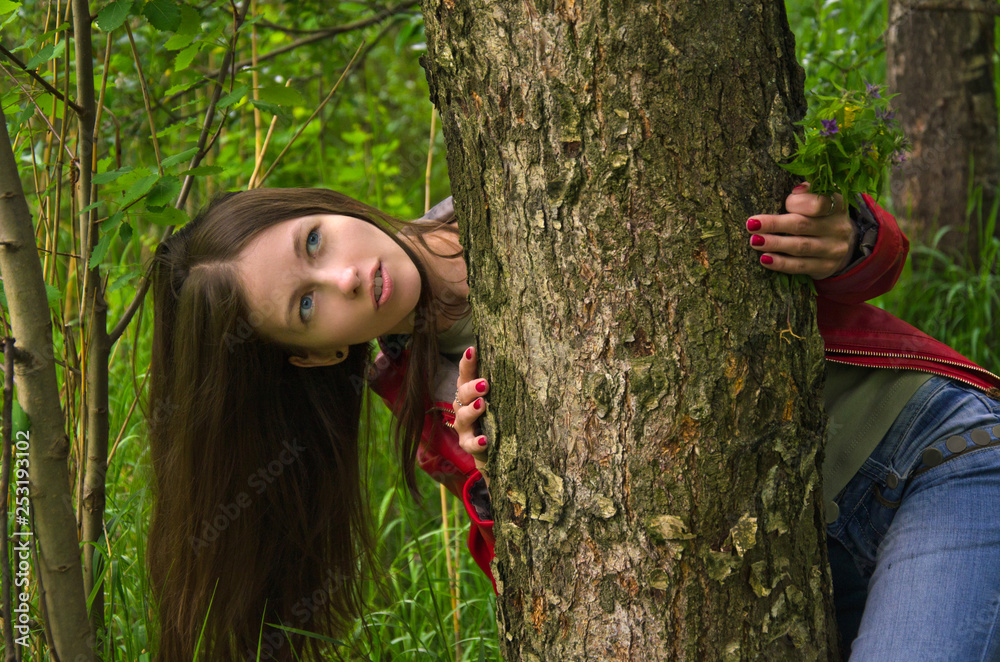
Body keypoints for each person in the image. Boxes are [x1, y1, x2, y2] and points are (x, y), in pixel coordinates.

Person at [146, 185, 1000, 662]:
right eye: (305, 306)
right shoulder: (428, 399)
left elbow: (874, 263)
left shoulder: (511, 181)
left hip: (926, 456)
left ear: (318, 205)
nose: (343, 278)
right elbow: (538, 578)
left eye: (314, 243)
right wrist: (499, 484)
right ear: (313, 358)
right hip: (795, 560)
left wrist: (845, 235)